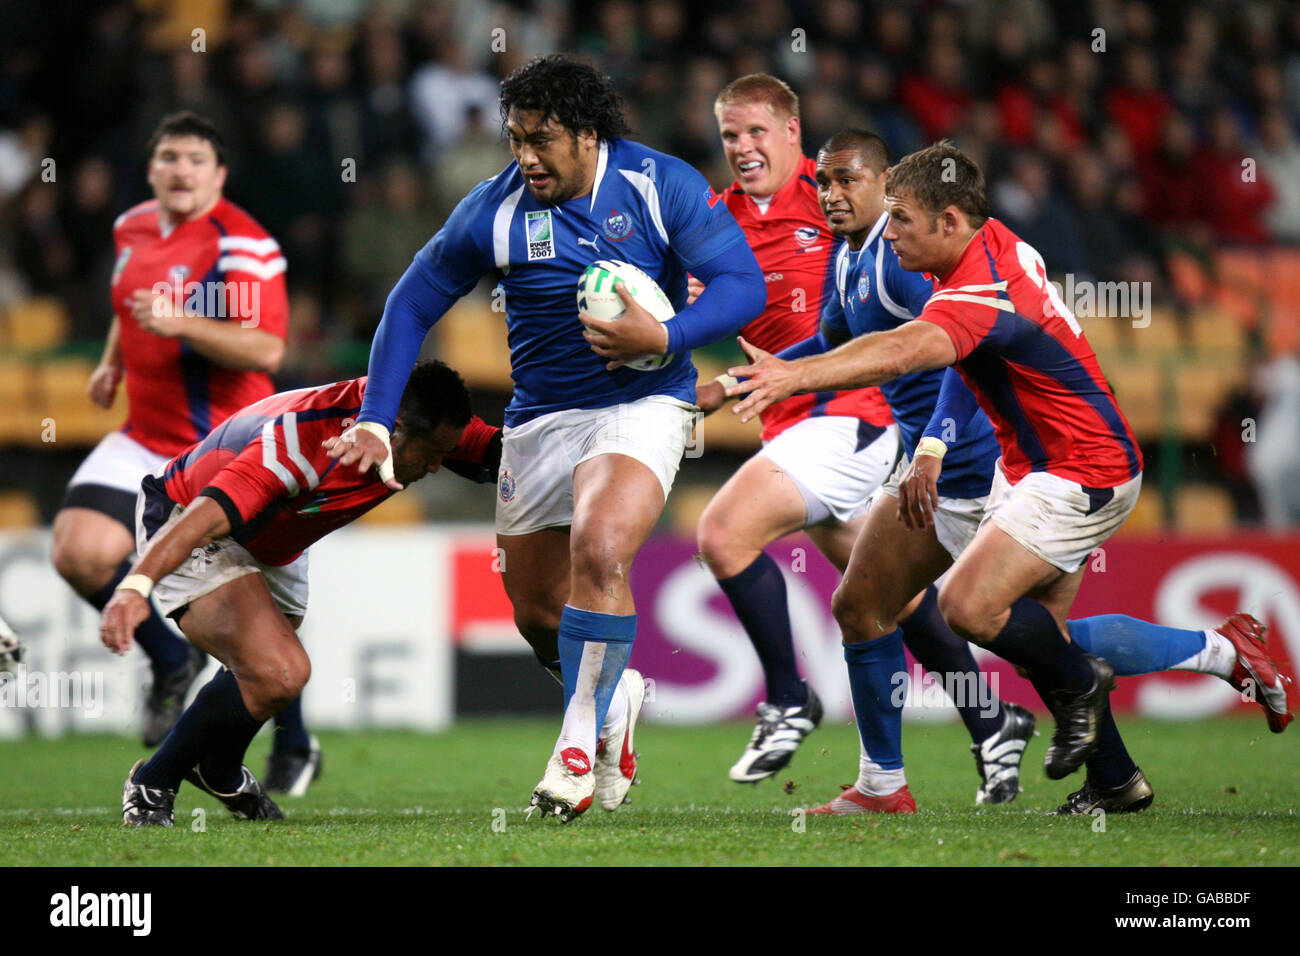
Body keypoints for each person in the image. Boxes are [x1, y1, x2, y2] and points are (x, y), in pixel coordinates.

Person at [726, 140, 1286, 812]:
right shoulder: (969, 246)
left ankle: (1187, 659)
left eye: (903, 219)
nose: (891, 230)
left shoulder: (973, 287)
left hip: (1083, 469)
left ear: (951, 223)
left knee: (975, 612)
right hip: (1024, 466)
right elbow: (949, 352)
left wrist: (809, 385)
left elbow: (911, 351)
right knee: (903, 612)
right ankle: (1102, 771)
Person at [326, 55, 767, 822]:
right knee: (537, 613)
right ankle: (615, 697)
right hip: (538, 420)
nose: (526, 156)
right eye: (516, 139)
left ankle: (571, 756)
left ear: (589, 135)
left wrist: (664, 333)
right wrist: (375, 414)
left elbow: (741, 285)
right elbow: (407, 305)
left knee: (600, 548)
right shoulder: (490, 210)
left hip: (643, 404)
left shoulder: (659, 185)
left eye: (543, 140)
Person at [691, 75, 1032, 801]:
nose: (743, 148)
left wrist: (933, 440)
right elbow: (789, 331)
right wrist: (727, 381)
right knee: (882, 597)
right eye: (729, 135)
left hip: (860, 416)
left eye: (757, 132)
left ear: (792, 130)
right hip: (798, 417)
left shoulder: (861, 224)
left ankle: (789, 699)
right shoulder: (718, 224)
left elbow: (941, 334)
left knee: (722, 533)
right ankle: (989, 721)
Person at [104, 361, 499, 826]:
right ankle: (153, 781)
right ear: (392, 432)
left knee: (261, 678)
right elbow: (204, 518)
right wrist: (134, 587)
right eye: (431, 455)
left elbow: (506, 453)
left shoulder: (417, 414)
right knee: (279, 672)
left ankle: (217, 767)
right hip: (187, 515)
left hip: (278, 533)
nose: (437, 466)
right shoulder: (299, 446)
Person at [48, 112, 314, 789]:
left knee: (258, 612)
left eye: (196, 159)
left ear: (218, 175)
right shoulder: (133, 226)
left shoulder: (244, 246)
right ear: (151, 168)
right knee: (77, 552)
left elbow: (266, 349)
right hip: (144, 434)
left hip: (223, 447)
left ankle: (295, 741)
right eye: (169, 157)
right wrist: (113, 360)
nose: (180, 170)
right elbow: (129, 300)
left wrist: (182, 324)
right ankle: (170, 659)